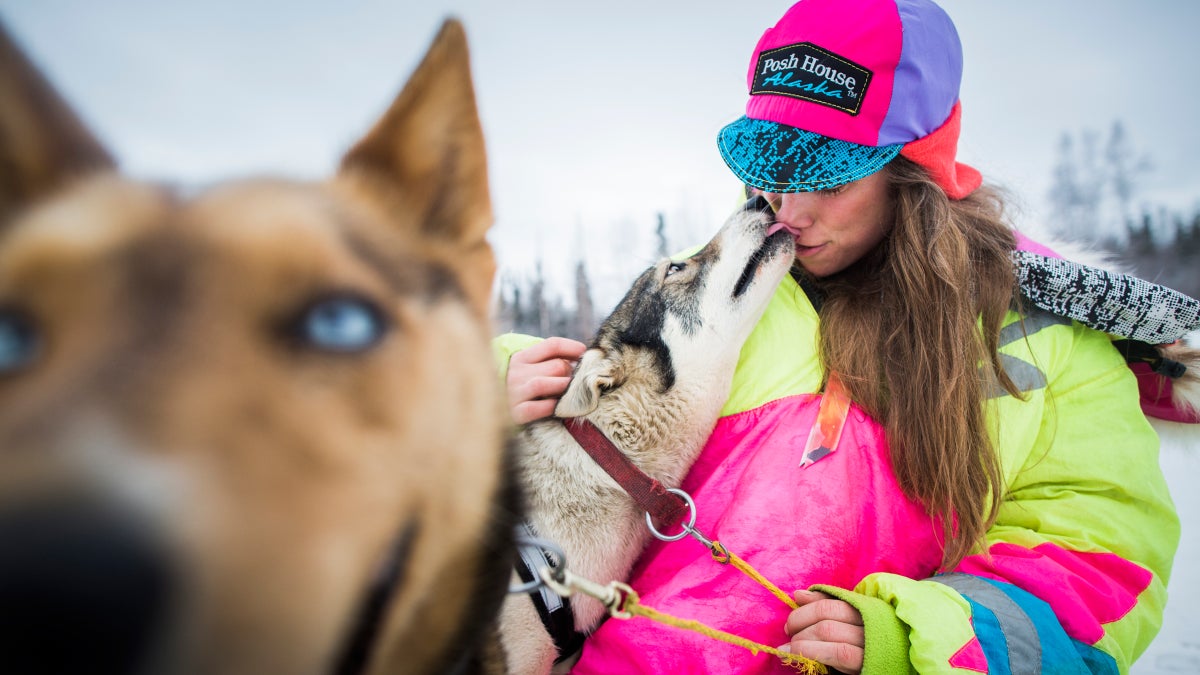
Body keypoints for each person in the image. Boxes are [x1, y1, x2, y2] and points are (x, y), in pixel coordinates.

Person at [494, 1, 1196, 672]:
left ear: (912, 168)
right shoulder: (734, 294)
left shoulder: (1049, 346)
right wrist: (492, 388)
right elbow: (598, 394)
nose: (787, 207)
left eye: (827, 172)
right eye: (773, 161)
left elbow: (1099, 561)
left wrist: (917, 639)